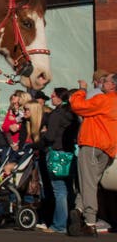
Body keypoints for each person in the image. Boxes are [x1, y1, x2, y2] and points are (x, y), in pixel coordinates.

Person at [68, 73, 117, 236]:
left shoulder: (104, 99)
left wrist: (81, 90)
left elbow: (78, 106)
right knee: (89, 182)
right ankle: (78, 209)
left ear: (112, 86)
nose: (103, 83)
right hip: (108, 149)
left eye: (106, 81)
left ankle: (90, 221)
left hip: (92, 144)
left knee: (87, 183)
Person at [38, 88, 79, 233]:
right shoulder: (72, 114)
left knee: (59, 189)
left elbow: (50, 136)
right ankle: (71, 221)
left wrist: (42, 137)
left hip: (56, 153)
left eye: (53, 95)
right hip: (69, 152)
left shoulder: (57, 114)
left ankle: (59, 225)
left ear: (60, 98)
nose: (51, 97)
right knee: (69, 188)